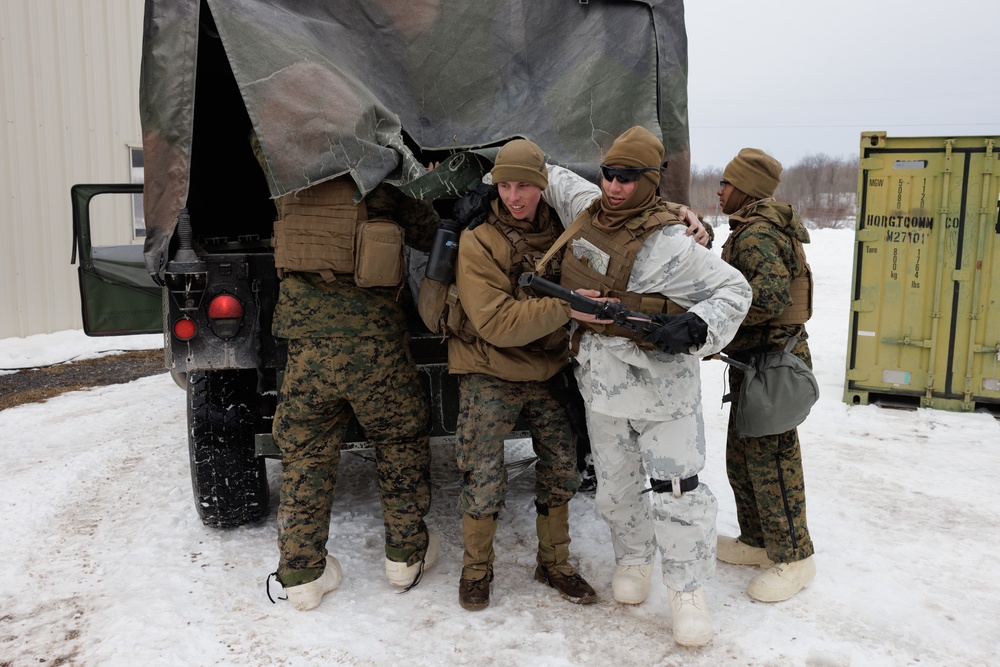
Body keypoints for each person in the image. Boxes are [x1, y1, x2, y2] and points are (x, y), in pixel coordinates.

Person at [543, 126, 752, 646]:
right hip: (602, 386)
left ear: (649, 182)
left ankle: (687, 590)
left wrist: (699, 326)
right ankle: (633, 557)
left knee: (677, 493)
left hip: (664, 393)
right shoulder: (587, 211)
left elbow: (734, 288)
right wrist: (472, 171)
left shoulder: (674, 244)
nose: (615, 186)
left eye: (628, 178)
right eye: (609, 174)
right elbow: (546, 175)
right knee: (615, 485)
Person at [270, 175, 441, 611]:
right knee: (399, 441)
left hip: (308, 346)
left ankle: (302, 576)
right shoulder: (381, 173)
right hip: (375, 345)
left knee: (305, 453)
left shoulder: (286, 169)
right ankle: (405, 558)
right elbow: (427, 230)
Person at [449, 139, 599, 611]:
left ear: (543, 186)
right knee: (484, 474)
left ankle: (554, 563)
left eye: (525, 187)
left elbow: (626, 208)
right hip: (490, 367)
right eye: (505, 186)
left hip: (548, 366)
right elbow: (494, 323)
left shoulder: (566, 229)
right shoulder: (480, 240)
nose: (514, 197)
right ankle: (476, 571)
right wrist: (568, 305)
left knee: (562, 467)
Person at [716, 148, 817, 602]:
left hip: (773, 364)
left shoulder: (756, 232)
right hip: (757, 364)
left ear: (746, 189)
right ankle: (757, 540)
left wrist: (714, 321)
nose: (719, 190)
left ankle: (794, 557)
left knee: (773, 461)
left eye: (725, 183)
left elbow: (770, 297)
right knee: (743, 455)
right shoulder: (753, 227)